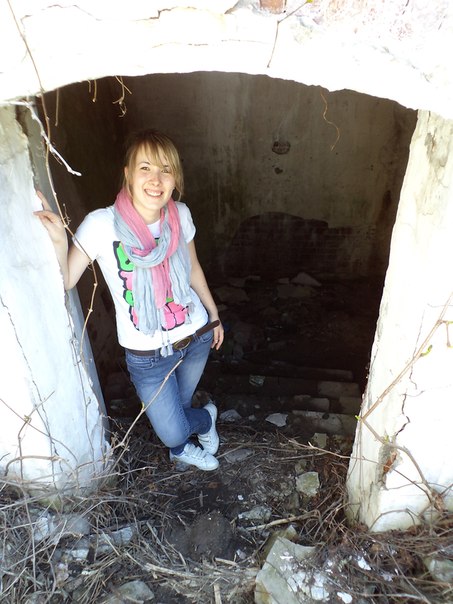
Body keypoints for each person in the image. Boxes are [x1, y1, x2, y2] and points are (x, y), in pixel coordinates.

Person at [35, 129, 224, 471]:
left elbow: (193, 267)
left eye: (166, 170)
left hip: (194, 336)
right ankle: (205, 420)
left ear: (175, 178)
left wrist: (213, 315)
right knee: (172, 430)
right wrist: (60, 238)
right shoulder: (101, 225)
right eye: (145, 168)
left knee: (178, 414)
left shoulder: (180, 214)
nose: (156, 179)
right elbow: (67, 280)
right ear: (128, 174)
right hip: (147, 356)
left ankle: (181, 450)